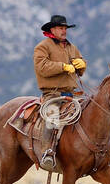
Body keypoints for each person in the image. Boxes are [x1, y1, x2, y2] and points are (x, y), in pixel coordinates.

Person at [32, 14, 86, 171]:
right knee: (52, 116)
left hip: (71, 94)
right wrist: (62, 66)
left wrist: (81, 64)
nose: (64, 31)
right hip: (52, 94)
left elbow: (80, 66)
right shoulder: (42, 47)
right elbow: (42, 67)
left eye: (65, 28)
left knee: (92, 113)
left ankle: (101, 152)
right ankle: (47, 152)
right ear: (52, 29)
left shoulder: (71, 47)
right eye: (61, 28)